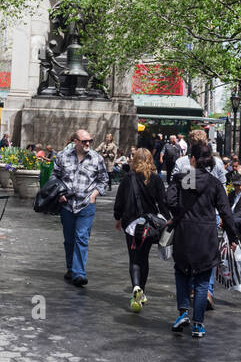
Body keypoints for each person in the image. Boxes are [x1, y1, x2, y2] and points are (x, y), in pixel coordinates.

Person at [166, 142, 240, 338]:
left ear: (192, 159)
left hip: (184, 233)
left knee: (182, 272)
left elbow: (171, 201)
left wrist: (179, 215)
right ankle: (198, 323)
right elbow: (225, 211)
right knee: (201, 280)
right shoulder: (214, 183)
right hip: (206, 236)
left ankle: (183, 313)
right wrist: (233, 236)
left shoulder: (185, 178)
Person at [52, 128, 109, 287]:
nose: (88, 143)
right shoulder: (62, 157)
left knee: (82, 237)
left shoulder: (97, 158)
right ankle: (71, 268)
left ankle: (79, 273)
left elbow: (103, 180)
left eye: (90, 140)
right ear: (75, 142)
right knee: (69, 239)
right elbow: (54, 177)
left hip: (86, 204)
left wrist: (94, 195)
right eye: (84, 141)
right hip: (67, 204)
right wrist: (59, 193)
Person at [114, 147, 169, 312]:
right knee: (143, 258)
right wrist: (168, 219)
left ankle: (136, 287)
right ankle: (141, 290)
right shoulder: (156, 179)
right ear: (151, 160)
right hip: (149, 226)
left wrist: (118, 218)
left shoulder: (128, 178)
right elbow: (163, 202)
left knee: (134, 259)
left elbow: (120, 201)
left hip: (131, 225)